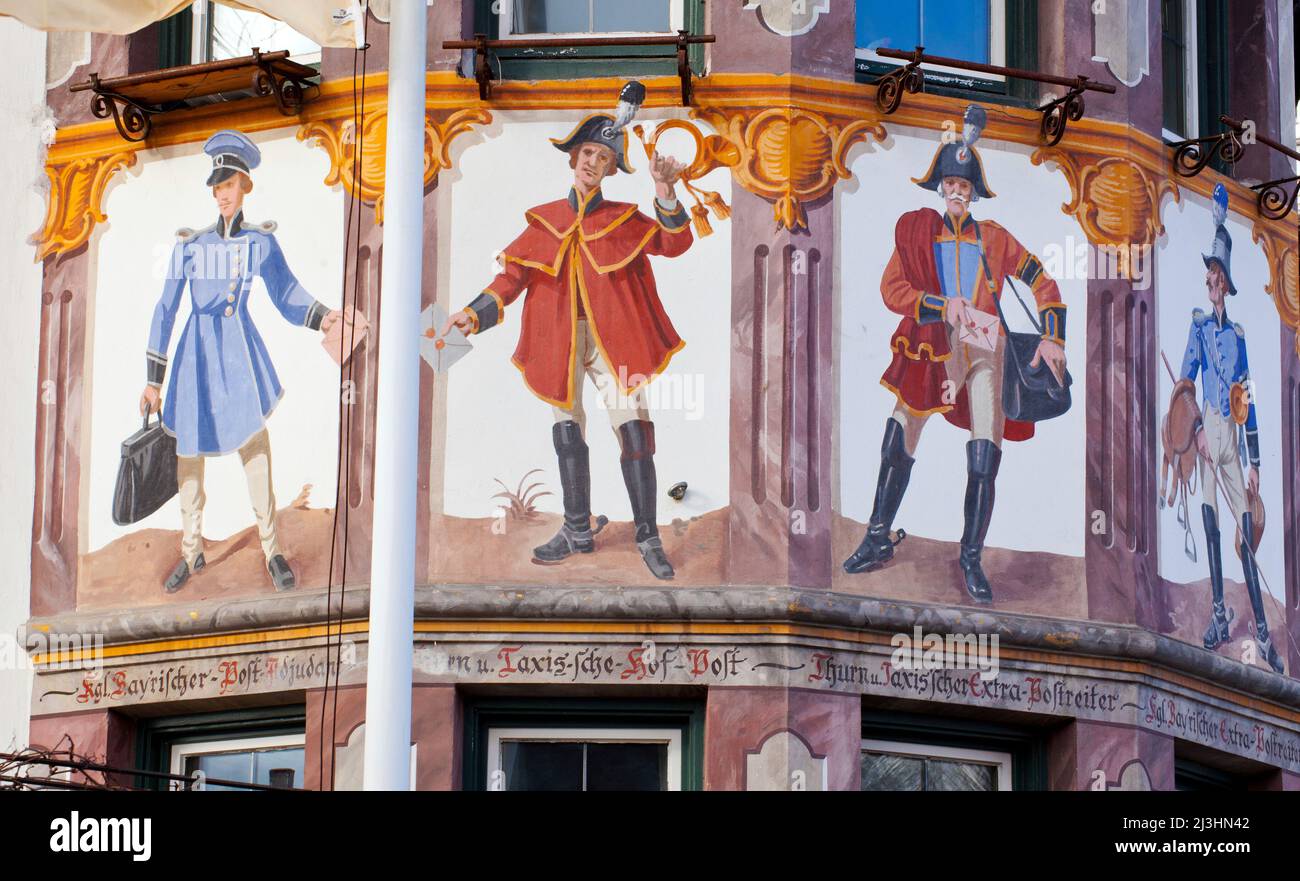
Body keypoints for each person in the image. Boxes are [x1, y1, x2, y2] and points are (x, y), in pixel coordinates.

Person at [443, 84, 692, 580]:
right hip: (559, 341)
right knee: (567, 430)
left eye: (602, 156)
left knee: (635, 430)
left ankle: (648, 535)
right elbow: (510, 279)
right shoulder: (545, 219)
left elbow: (674, 243)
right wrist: (472, 315)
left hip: (613, 342)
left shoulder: (623, 217)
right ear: (573, 157)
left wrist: (665, 192)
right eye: (587, 152)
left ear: (609, 169)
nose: (592, 162)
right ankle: (577, 529)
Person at [843, 105, 1068, 604]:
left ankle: (970, 557)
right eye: (950, 184)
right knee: (900, 429)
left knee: (985, 450)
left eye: (964, 187)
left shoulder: (997, 239)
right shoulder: (919, 232)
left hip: (986, 345)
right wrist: (940, 306)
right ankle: (878, 536)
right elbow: (892, 289)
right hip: (935, 339)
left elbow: (1044, 282)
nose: (957, 192)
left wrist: (1054, 335)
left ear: (974, 193)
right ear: (940, 189)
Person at [140, 129, 340, 594]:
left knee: (254, 449)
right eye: (215, 187)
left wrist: (323, 316)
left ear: (244, 184)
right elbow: (165, 310)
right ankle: (191, 552)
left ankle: (271, 550)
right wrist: (153, 380)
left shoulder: (260, 243)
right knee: (188, 456)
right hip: (194, 356)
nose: (220, 195)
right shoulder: (190, 247)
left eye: (227, 185)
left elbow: (286, 292)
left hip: (238, 351)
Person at [1180, 184, 1282, 674]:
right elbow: (1185, 382)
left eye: (1215, 273)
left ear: (1226, 282)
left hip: (1235, 439)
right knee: (1211, 521)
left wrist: (1256, 462)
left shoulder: (1237, 337)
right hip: (1209, 435)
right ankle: (1219, 615)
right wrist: (1197, 427)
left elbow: (1250, 396)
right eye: (1208, 273)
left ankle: (1262, 632)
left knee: (1245, 528)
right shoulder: (1198, 328)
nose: (1210, 280)